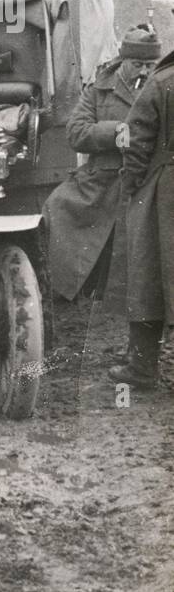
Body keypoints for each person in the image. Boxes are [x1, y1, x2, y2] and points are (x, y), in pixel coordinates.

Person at [44, 26, 161, 306]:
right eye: (137, 64)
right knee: (58, 205)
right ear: (123, 62)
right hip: (99, 179)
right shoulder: (99, 91)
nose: (144, 71)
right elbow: (76, 132)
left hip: (145, 180)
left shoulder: (161, 88)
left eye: (149, 65)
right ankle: (61, 289)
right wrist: (121, 133)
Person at [110, 30, 174, 389]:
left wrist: (132, 186)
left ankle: (143, 368)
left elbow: (136, 142)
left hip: (164, 192)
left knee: (148, 278)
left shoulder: (161, 82)